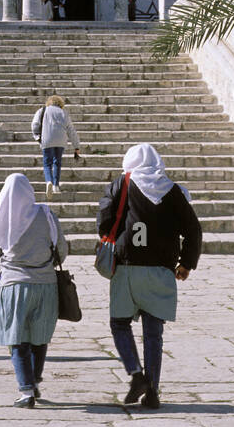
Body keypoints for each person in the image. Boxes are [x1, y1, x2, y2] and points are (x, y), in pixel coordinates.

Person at [97, 143, 202, 410]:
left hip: (127, 266)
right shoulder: (174, 191)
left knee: (119, 323)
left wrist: (113, 236)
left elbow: (105, 217)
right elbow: (193, 230)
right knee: (153, 332)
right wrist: (186, 263)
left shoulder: (123, 183)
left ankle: (136, 374)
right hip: (161, 269)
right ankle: (152, 391)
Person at [0, 173, 68, 408]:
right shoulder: (47, 214)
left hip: (14, 287)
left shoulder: (0, 222)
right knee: (39, 336)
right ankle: (35, 381)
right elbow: (62, 249)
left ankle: (26, 390)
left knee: (17, 338)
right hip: (45, 285)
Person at [31, 94, 81, 198]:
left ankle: (49, 181)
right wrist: (76, 146)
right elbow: (71, 130)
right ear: (60, 103)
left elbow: (35, 124)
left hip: (47, 139)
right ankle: (56, 186)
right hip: (61, 140)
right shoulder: (64, 112)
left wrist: (37, 137)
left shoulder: (42, 110)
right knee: (57, 162)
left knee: (47, 163)